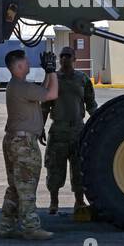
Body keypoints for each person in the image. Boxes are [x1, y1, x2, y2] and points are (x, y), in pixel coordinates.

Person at [0, 48, 59, 240]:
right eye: (26, 62)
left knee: (15, 186)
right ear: (19, 66)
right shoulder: (21, 87)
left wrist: (47, 73)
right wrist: (52, 72)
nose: (29, 64)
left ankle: (6, 226)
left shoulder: (18, 86)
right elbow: (52, 94)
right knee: (26, 185)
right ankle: (31, 227)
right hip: (24, 143)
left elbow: (42, 91)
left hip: (14, 140)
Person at [42, 47, 98, 217]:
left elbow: (91, 104)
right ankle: (54, 201)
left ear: (75, 59)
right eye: (62, 56)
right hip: (58, 130)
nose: (65, 59)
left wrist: (98, 125)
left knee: (79, 168)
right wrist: (39, 128)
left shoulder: (82, 79)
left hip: (78, 130)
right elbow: (44, 106)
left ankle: (79, 200)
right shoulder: (53, 79)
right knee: (54, 168)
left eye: (68, 56)